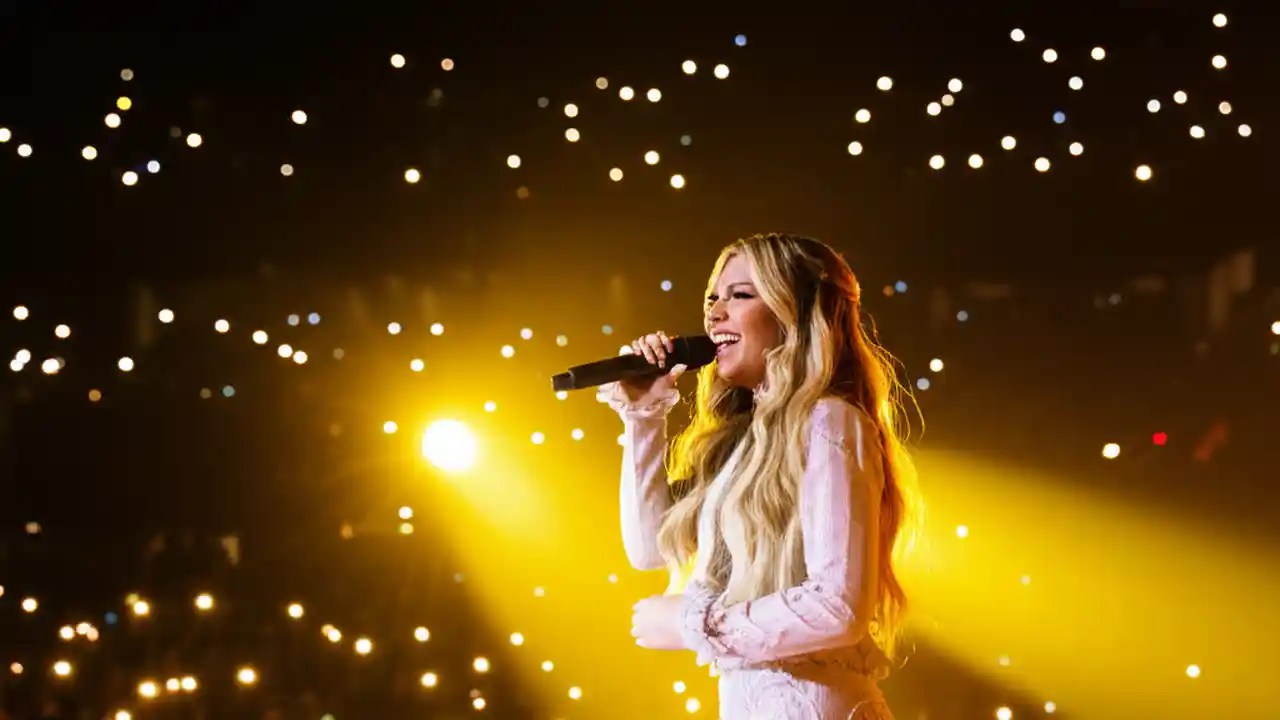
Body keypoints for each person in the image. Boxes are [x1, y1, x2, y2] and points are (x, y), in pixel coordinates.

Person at [598, 233, 921, 719]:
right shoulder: (741, 441)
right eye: (712, 298)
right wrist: (643, 420)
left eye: (740, 295)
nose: (714, 313)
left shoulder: (830, 420)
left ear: (795, 314)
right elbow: (650, 550)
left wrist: (694, 626)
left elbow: (837, 607)